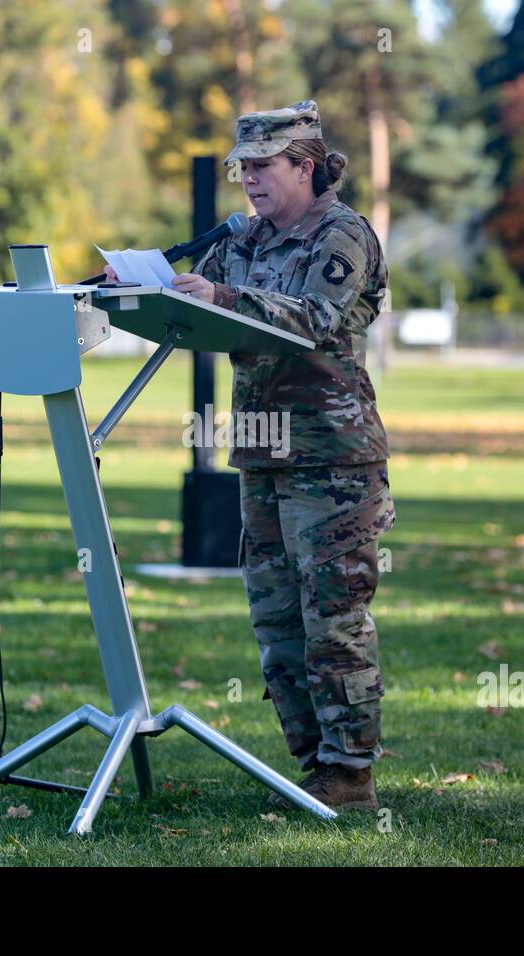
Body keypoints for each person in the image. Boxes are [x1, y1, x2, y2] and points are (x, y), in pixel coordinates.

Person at [105, 100, 394, 809]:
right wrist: (138, 295)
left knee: (334, 618)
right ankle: (311, 764)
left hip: (332, 458)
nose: (250, 184)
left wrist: (224, 293)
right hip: (261, 454)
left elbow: (312, 319)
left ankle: (350, 771)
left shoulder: (343, 234)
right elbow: (199, 304)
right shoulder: (244, 239)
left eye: (262, 168)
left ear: (305, 165)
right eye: (243, 171)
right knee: (275, 621)